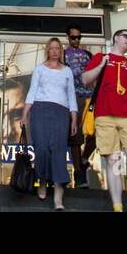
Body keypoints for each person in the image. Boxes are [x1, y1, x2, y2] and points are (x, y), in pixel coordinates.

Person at [81, 28, 127, 212]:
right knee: (113, 160)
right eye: (126, 37)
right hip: (105, 113)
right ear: (116, 38)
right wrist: (101, 65)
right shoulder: (100, 57)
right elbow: (85, 79)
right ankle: (117, 206)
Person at [23, 37, 78, 209]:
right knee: (41, 148)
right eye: (52, 48)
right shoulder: (40, 69)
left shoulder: (67, 71)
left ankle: (58, 196)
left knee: (59, 149)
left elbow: (71, 95)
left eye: (58, 48)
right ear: (47, 50)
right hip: (40, 110)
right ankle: (43, 181)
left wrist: (74, 118)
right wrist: (25, 114)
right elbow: (32, 91)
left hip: (61, 112)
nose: (55, 51)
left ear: (61, 51)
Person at [63, 24, 94, 187]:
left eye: (79, 37)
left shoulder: (88, 54)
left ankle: (83, 159)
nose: (76, 40)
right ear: (68, 37)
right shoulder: (62, 55)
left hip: (89, 97)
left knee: (96, 131)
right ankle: (78, 172)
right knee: (75, 137)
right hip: (72, 98)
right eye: (73, 37)